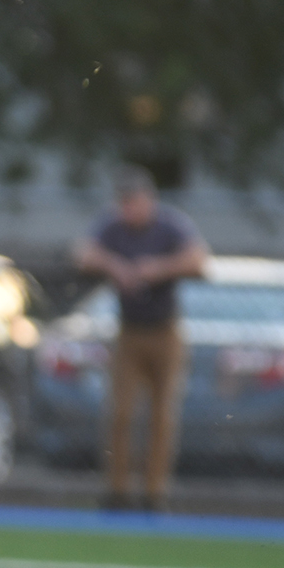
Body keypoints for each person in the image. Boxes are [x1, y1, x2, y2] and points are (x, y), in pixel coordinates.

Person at [73, 164, 208, 511]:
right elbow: (83, 254)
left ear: (149, 200)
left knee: (162, 414)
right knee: (120, 413)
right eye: (124, 202)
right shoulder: (113, 227)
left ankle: (154, 491)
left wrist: (157, 268)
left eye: (134, 201)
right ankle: (117, 489)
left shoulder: (170, 225)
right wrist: (115, 266)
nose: (128, 209)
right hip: (129, 332)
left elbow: (198, 260)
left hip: (165, 331)